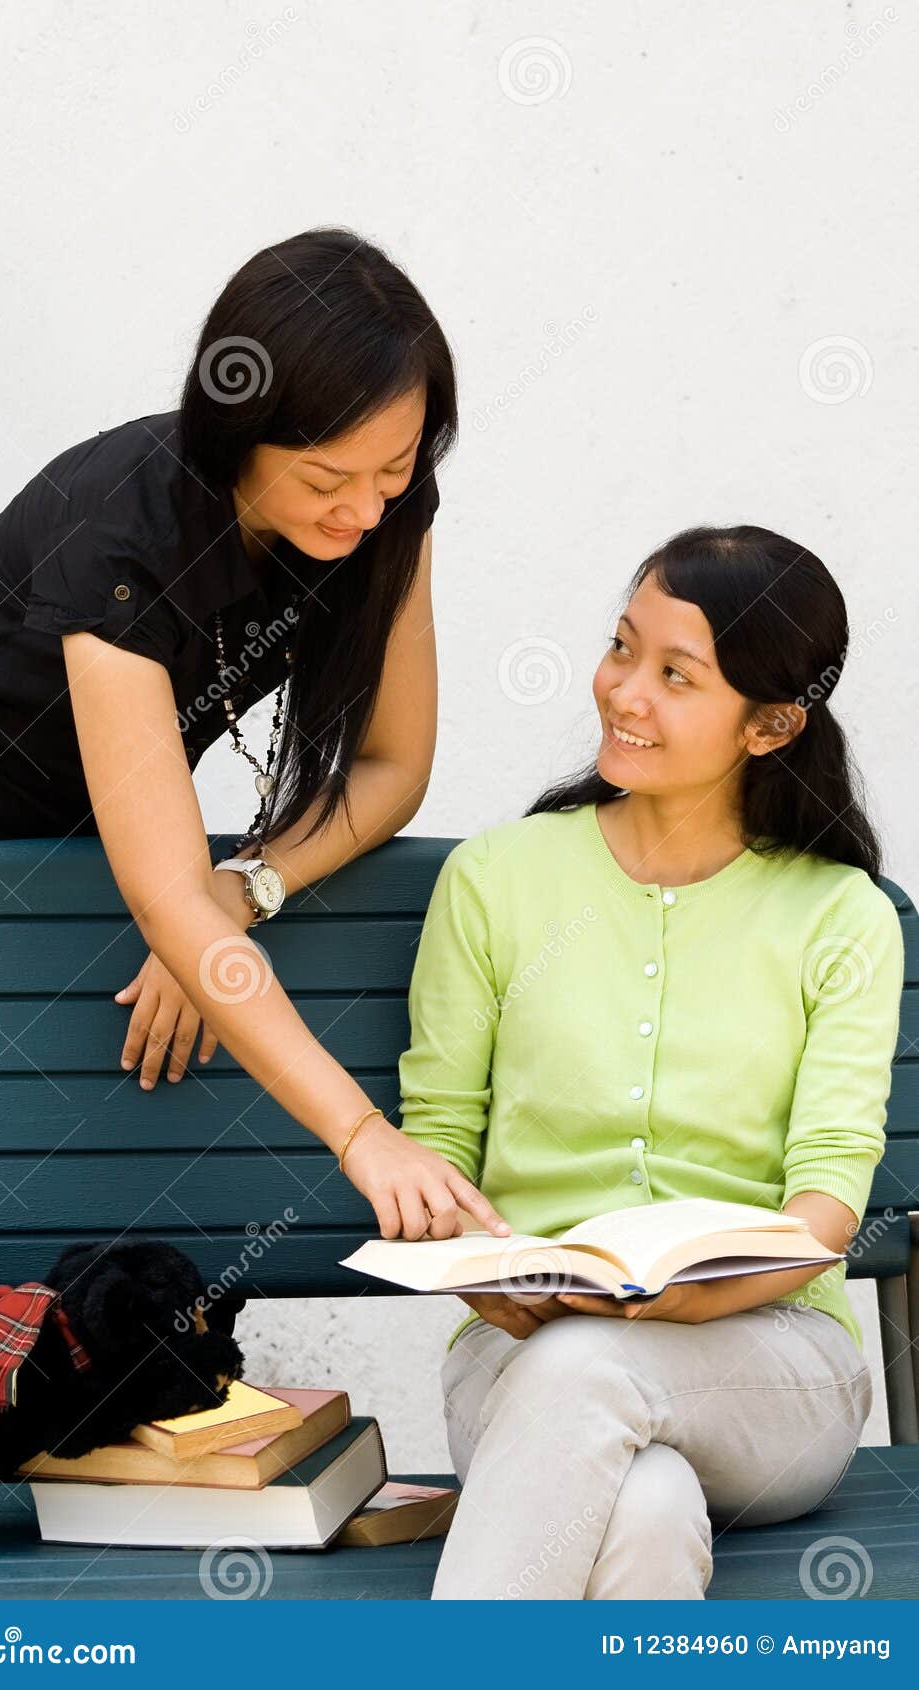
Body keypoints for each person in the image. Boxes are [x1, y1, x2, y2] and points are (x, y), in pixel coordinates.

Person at [0, 228, 511, 1340]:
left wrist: (242, 885)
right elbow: (162, 893)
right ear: (234, 438)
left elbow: (392, 766)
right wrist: (362, 1136)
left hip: (93, 858)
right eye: (324, 478)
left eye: (394, 471)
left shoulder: (387, 510)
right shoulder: (120, 532)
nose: (363, 511)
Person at [398, 524, 904, 1599]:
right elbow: (435, 1144)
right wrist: (482, 1271)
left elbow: (826, 1205)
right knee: (646, 1503)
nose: (624, 692)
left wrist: (688, 1302)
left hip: (770, 1366)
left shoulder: (838, 919)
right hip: (516, 1355)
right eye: (622, 648)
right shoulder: (495, 879)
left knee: (591, 1368)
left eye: (675, 675)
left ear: (769, 723)